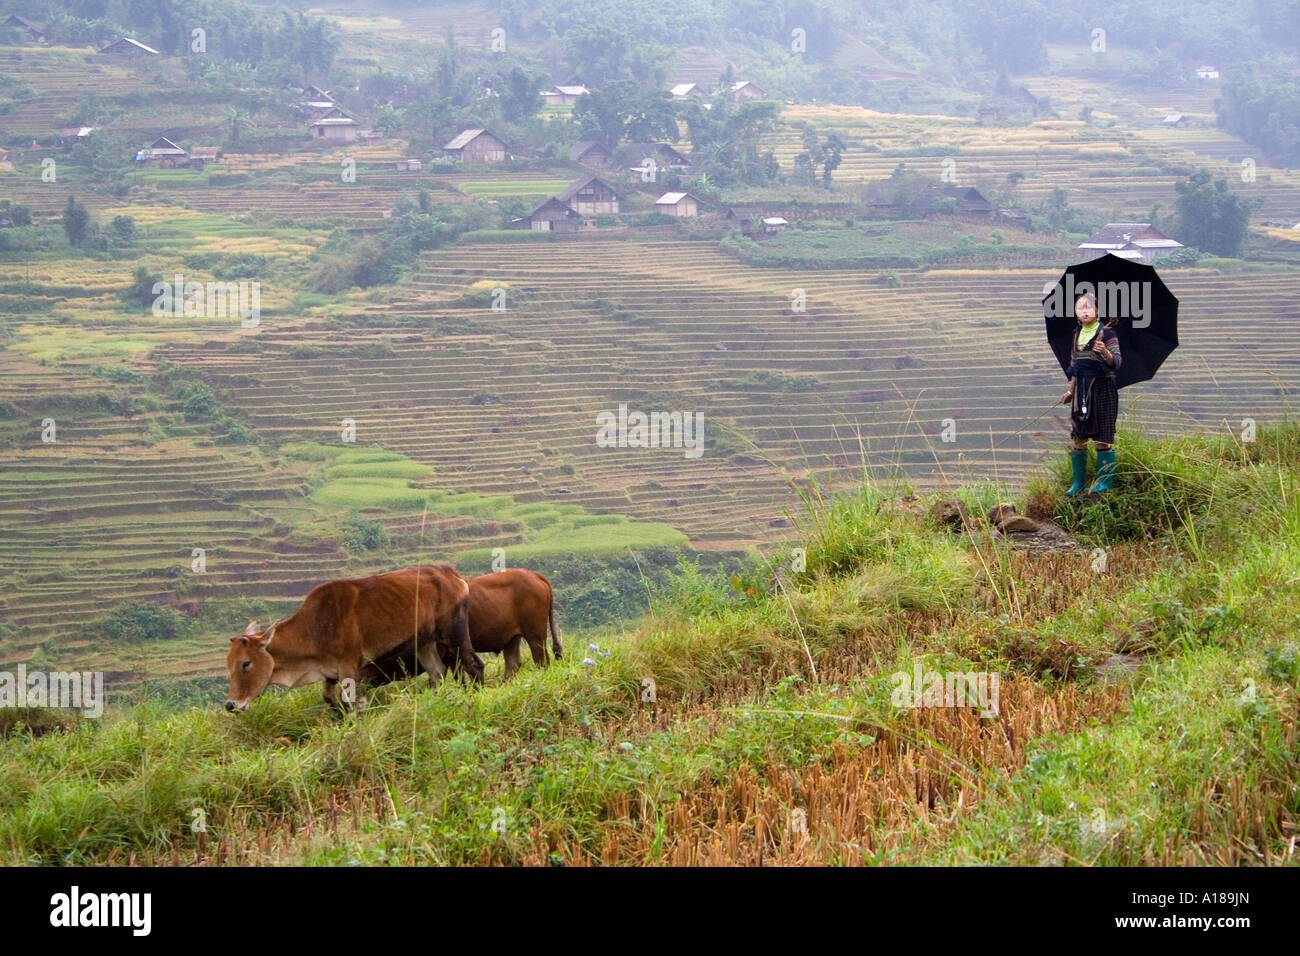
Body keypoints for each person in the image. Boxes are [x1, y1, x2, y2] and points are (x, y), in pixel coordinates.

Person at [1059, 292, 1122, 494]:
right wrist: (1070, 390)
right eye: (1080, 308)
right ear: (1076, 313)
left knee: (1102, 437)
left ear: (1097, 311)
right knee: (1078, 436)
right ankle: (1079, 484)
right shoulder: (1076, 335)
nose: (1084, 311)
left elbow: (1117, 362)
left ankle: (1104, 482)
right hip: (1081, 390)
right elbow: (1074, 366)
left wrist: (1105, 352)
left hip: (1102, 388)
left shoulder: (1108, 334)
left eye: (1088, 307)